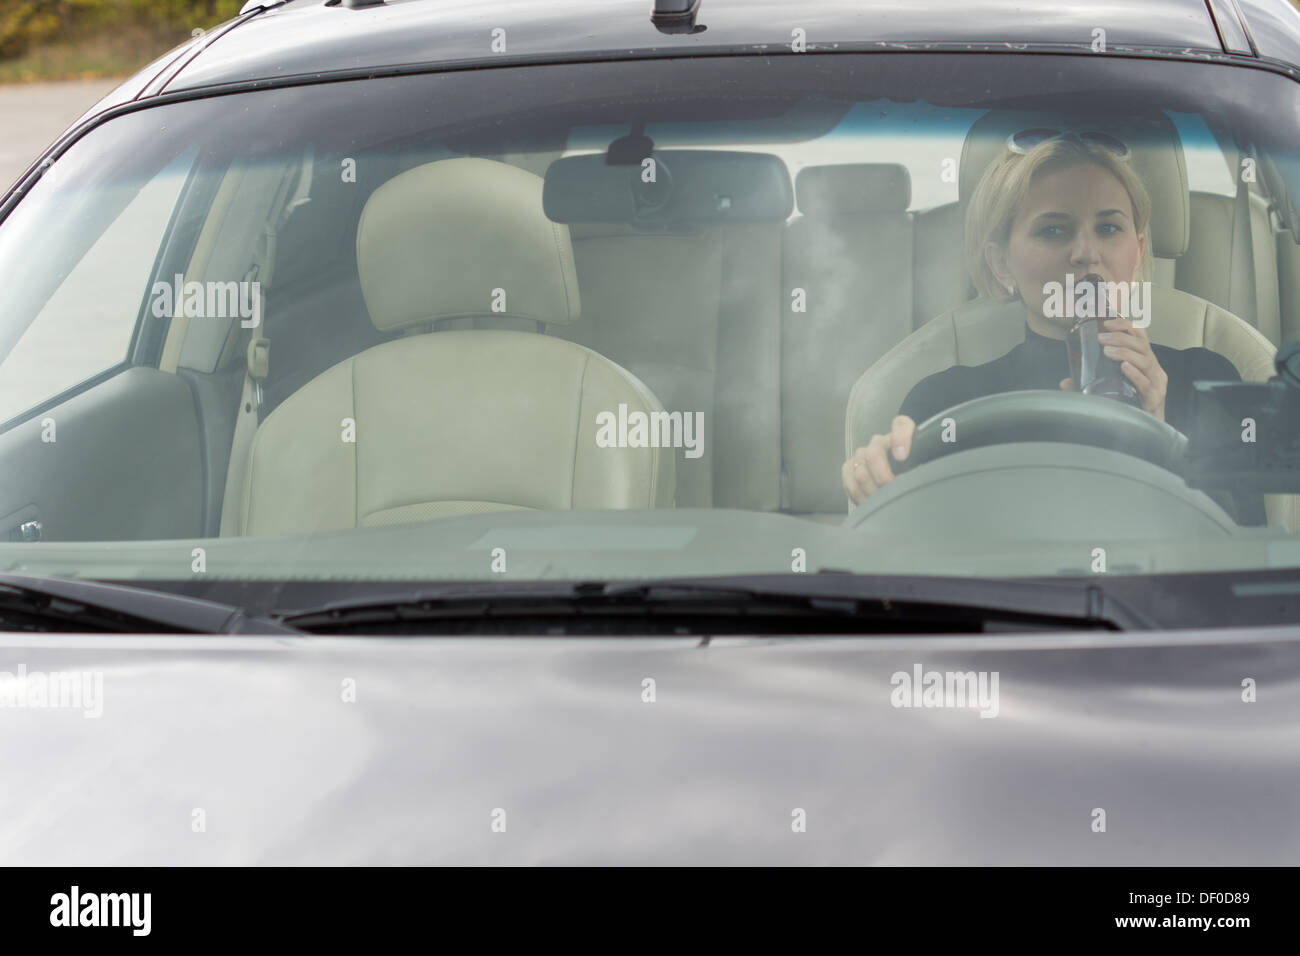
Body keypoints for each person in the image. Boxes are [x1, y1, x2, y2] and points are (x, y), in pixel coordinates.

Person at [840, 128, 1265, 523]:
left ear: (1136, 253)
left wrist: (1159, 426)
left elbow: (1242, 556)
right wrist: (878, 481)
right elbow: (910, 559)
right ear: (1001, 263)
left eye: (1108, 227)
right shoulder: (944, 402)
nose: (1086, 252)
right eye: (1054, 229)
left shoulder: (1208, 381)